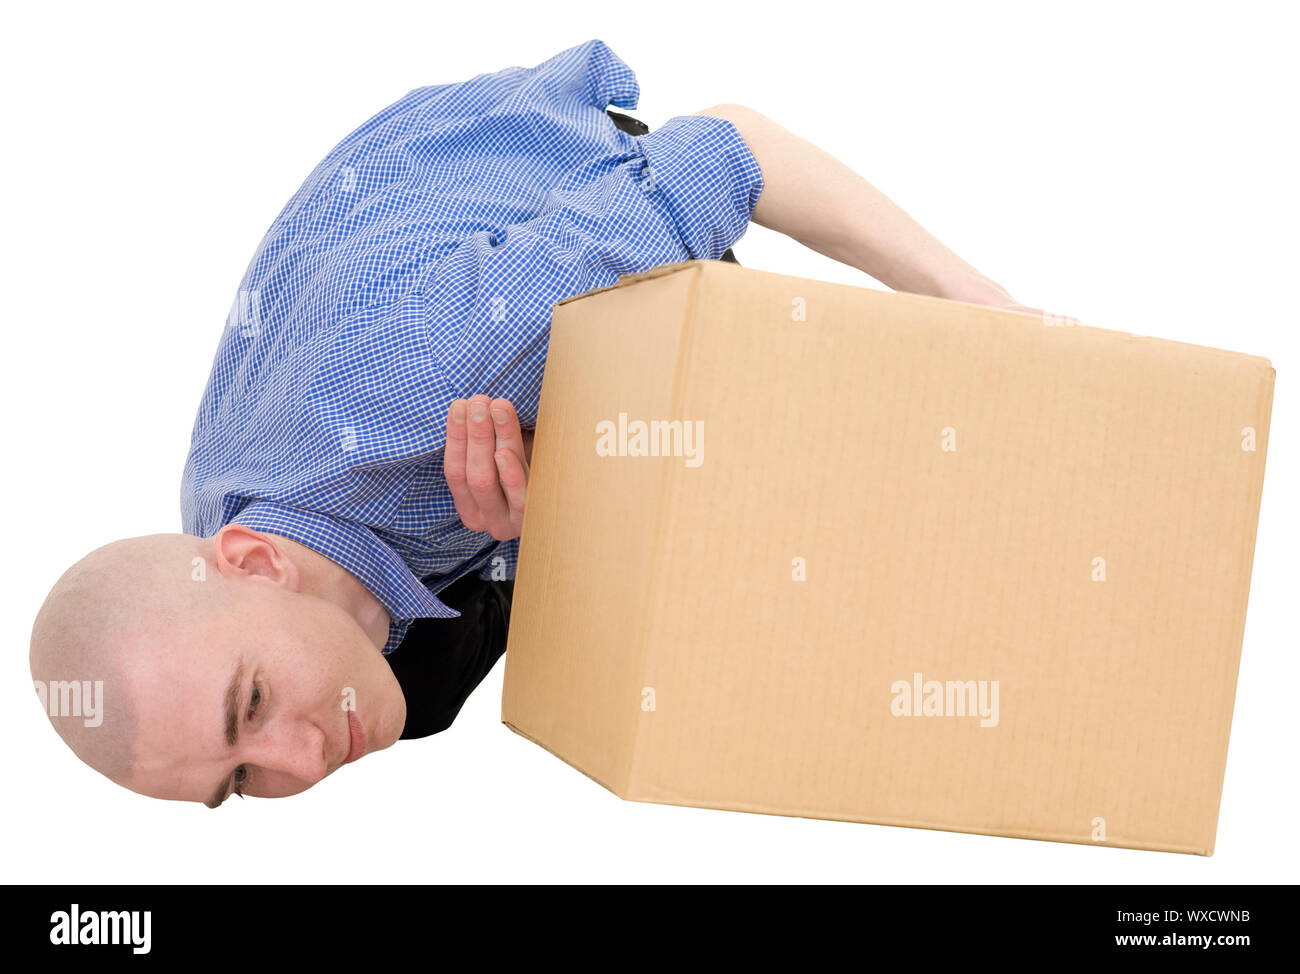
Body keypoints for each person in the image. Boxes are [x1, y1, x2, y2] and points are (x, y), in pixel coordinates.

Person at [29, 40, 1048, 806]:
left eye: (249, 706)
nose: (299, 765)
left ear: (251, 558)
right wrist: (542, 537)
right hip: (389, 282)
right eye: (237, 783)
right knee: (424, 696)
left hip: (522, 190)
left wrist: (976, 303)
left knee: (773, 500)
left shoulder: (448, 368)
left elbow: (736, 145)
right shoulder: (224, 537)